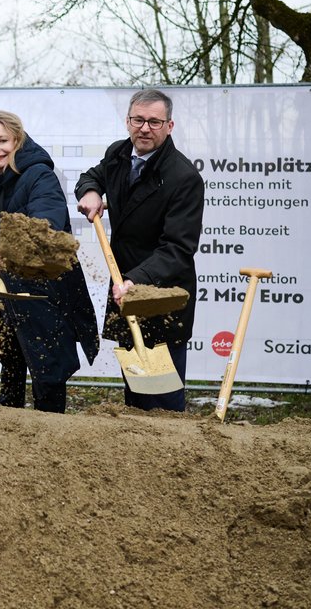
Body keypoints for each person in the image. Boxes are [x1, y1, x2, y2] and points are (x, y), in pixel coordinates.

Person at [0, 110, 99, 413]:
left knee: (48, 377)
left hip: (44, 294)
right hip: (5, 293)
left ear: (17, 140)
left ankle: (50, 442)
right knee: (10, 376)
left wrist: (1, 254)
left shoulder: (39, 175)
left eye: (2, 140)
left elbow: (45, 226)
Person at [75, 88, 204, 411]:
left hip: (161, 294)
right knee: (135, 391)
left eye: (154, 122)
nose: (145, 128)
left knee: (163, 397)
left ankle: (172, 452)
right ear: (128, 121)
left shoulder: (184, 178)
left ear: (169, 126)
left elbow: (178, 248)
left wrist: (136, 281)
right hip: (124, 287)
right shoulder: (118, 154)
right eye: (138, 120)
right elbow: (92, 175)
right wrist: (91, 190)